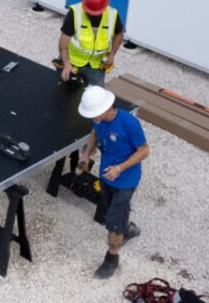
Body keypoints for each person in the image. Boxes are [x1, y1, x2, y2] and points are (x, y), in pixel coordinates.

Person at [77, 85, 149, 280]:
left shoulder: (128, 123)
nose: (93, 118)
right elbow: (94, 133)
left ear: (106, 109)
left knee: (113, 223)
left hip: (125, 181)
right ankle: (129, 229)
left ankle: (112, 258)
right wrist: (86, 154)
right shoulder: (99, 120)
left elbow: (144, 151)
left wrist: (120, 168)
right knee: (113, 211)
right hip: (107, 176)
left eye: (95, 114)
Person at [60, 0, 123, 86]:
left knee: (97, 96)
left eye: (95, 13)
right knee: (62, 91)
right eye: (89, 12)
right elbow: (63, 45)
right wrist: (67, 65)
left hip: (96, 65)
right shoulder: (75, 13)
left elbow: (119, 34)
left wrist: (112, 54)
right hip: (72, 61)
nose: (91, 15)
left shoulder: (112, 15)